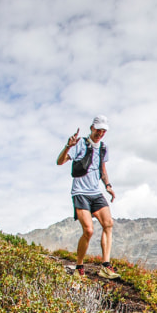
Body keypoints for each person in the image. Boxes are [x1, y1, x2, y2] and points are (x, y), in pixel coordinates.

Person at [56, 115, 118, 279]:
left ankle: (105, 266)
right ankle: (79, 266)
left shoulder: (103, 148)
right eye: (98, 129)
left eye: (103, 130)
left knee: (108, 224)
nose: (100, 133)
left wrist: (108, 186)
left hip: (95, 192)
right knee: (89, 231)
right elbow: (60, 162)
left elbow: (102, 170)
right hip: (80, 193)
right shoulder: (80, 144)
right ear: (92, 128)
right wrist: (67, 147)